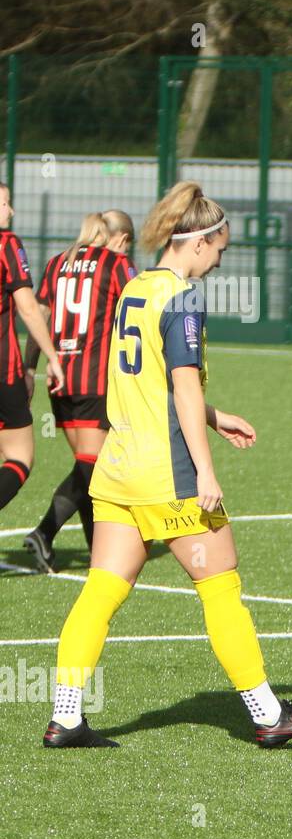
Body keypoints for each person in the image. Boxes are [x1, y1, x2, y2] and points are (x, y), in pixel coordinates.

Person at [43, 181, 292, 749]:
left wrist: (214, 414)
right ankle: (268, 714)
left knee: (100, 593)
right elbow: (178, 385)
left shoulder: (135, 289)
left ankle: (67, 717)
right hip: (168, 474)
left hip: (117, 468)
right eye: (220, 250)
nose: (220, 261)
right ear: (198, 242)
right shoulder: (184, 298)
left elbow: (148, 380)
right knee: (221, 590)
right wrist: (204, 468)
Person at [23, 210, 136, 571]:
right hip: (94, 378)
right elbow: (138, 309)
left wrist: (30, 366)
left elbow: (38, 315)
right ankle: (44, 531)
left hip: (59, 379)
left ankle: (98, 550)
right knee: (95, 465)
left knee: (90, 468)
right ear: (121, 239)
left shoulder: (58, 263)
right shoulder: (116, 263)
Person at [0, 181, 67, 519]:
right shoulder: (6, 243)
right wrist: (52, 359)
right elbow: (28, 307)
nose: (10, 211)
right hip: (2, 371)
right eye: (6, 203)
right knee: (20, 457)